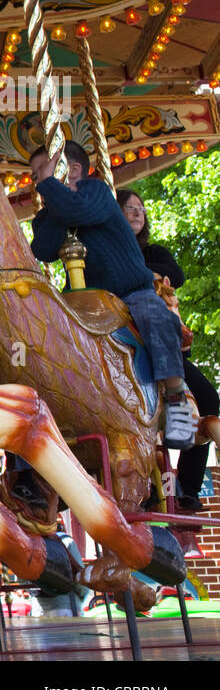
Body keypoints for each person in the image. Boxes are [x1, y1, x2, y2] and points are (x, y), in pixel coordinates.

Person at [29, 141, 195, 448]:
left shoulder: (97, 192)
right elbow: (43, 248)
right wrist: (54, 199)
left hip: (130, 292)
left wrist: (53, 186)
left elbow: (77, 208)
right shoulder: (51, 210)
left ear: (73, 169)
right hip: (83, 300)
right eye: (36, 173)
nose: (37, 179)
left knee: (154, 316)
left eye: (41, 170)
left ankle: (176, 397)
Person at [118, 188, 215, 510]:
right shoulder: (108, 252)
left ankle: (187, 487)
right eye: (129, 208)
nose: (136, 213)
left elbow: (178, 275)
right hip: (123, 341)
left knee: (207, 398)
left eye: (140, 210)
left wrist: (151, 274)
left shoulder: (153, 251)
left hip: (160, 345)